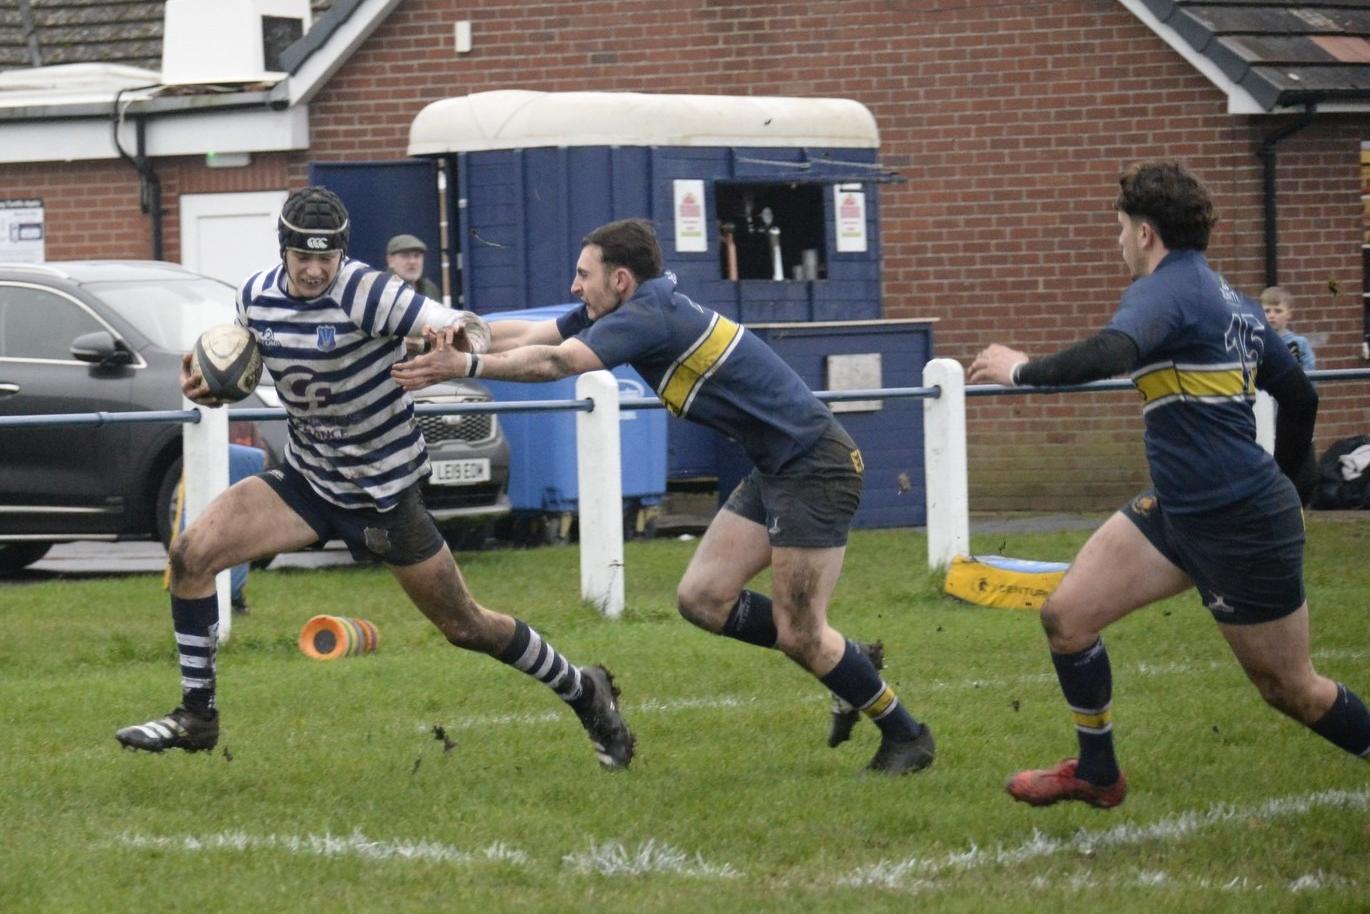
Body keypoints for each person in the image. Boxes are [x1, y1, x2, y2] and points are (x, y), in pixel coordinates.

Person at [116, 187, 634, 771]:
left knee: (465, 626)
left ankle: (584, 690)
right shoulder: (255, 298)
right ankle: (197, 715)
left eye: (327, 258)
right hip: (308, 480)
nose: (315, 271)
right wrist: (207, 382)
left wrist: (458, 341)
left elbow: (453, 323)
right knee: (191, 556)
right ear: (283, 250)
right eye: (303, 257)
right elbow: (239, 361)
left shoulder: (369, 292)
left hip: (382, 495)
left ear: (342, 253)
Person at [393, 217, 935, 775]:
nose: (575, 286)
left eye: (583, 275)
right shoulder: (633, 307)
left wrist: (467, 365)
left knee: (800, 633)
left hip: (815, 468)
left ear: (620, 279)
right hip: (777, 467)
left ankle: (907, 734)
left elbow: (557, 362)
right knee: (703, 599)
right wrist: (457, 331)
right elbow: (536, 336)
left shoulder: (648, 318)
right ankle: (844, 659)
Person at [968, 161, 1370, 808]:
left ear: (1146, 233)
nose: (1118, 243)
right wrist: (1294, 485)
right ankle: (1098, 773)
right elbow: (1300, 397)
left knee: (1291, 689)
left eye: (1121, 229)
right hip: (1180, 510)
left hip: (1239, 522)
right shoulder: (1228, 298)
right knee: (1067, 617)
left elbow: (1111, 352)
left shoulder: (1166, 290)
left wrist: (1021, 370)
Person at [1260, 286, 1316, 372]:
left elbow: (1311, 373)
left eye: (1278, 311)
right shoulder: (1255, 342)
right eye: (1267, 311)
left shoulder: (1300, 343)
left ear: (1289, 314)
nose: (1271, 315)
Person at [386, 233, 443, 301]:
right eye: (405, 256)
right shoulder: (382, 291)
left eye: (417, 256)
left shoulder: (430, 289)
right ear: (390, 261)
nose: (412, 262)